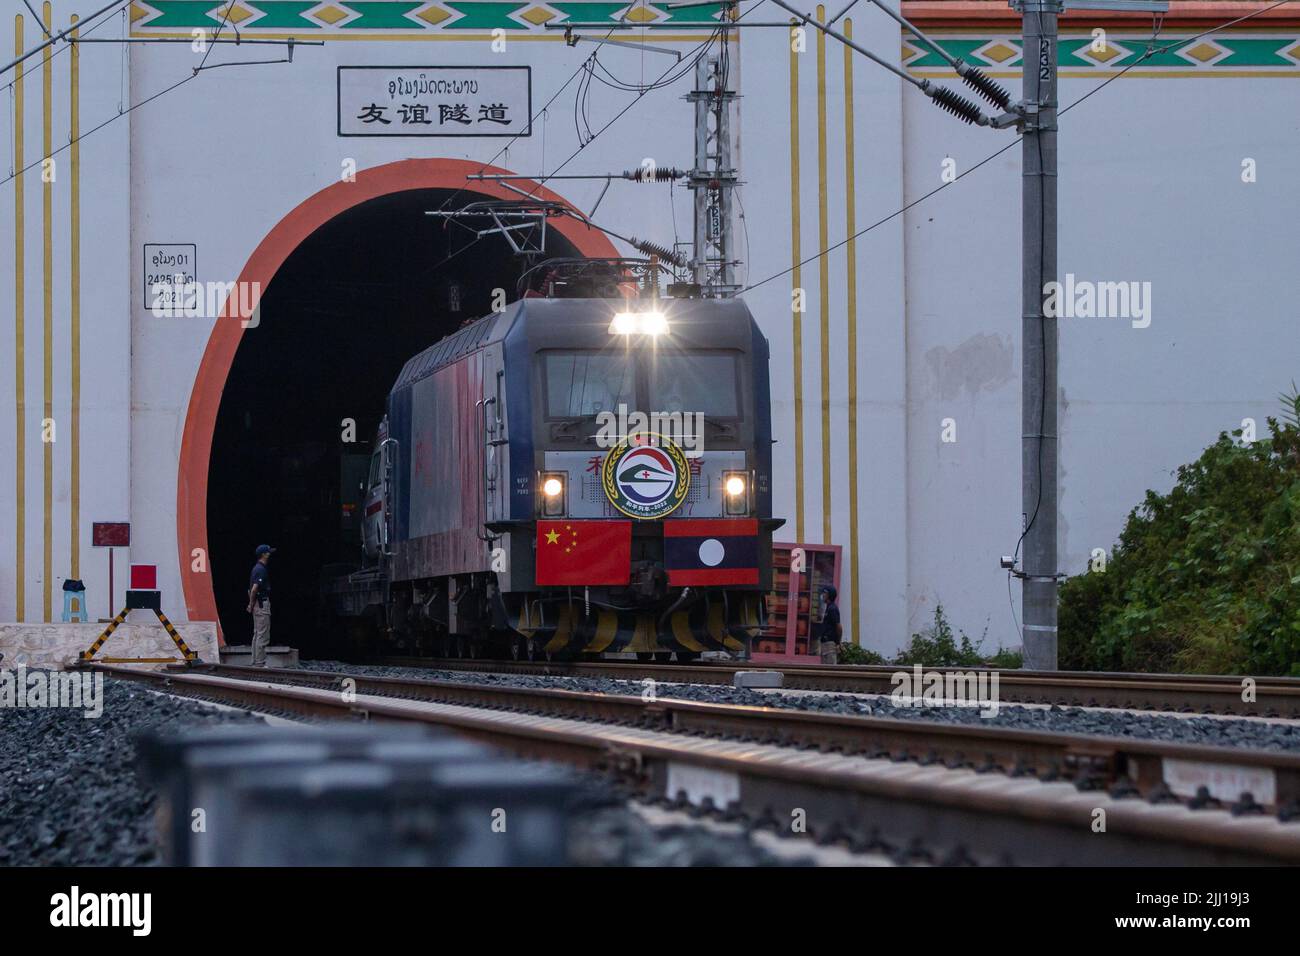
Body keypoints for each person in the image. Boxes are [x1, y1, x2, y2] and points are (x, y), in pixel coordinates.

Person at [247, 544, 275, 666]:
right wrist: (251, 604)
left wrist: (252, 605)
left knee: (257, 633)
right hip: (261, 604)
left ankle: (255, 661)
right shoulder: (261, 569)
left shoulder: (256, 568)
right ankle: (260, 663)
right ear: (264, 554)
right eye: (268, 552)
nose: (270, 554)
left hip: (258, 604)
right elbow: (254, 589)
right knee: (263, 634)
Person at [818, 584, 842, 664]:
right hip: (825, 643)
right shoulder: (828, 608)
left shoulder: (832, 609)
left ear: (829, 595)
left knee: (829, 668)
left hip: (830, 644)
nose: (823, 595)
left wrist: (838, 642)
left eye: (824, 593)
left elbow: (838, 626)